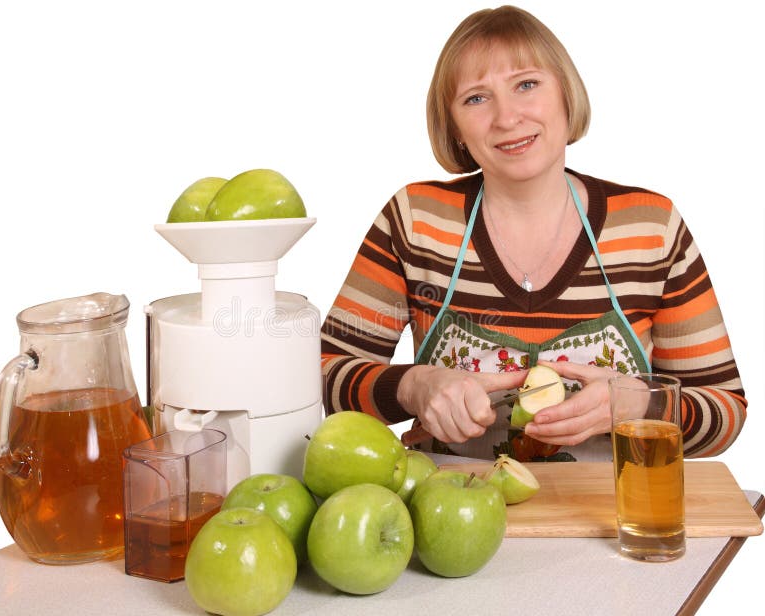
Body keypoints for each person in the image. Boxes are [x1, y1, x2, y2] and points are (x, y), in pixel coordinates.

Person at [319, 5, 746, 462]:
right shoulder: (417, 221)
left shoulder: (650, 227)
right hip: (450, 517)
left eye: (527, 84)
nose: (507, 118)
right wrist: (412, 386)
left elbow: (725, 410)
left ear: (566, 93)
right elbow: (322, 377)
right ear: (456, 129)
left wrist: (638, 402)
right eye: (476, 98)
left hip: (614, 518)